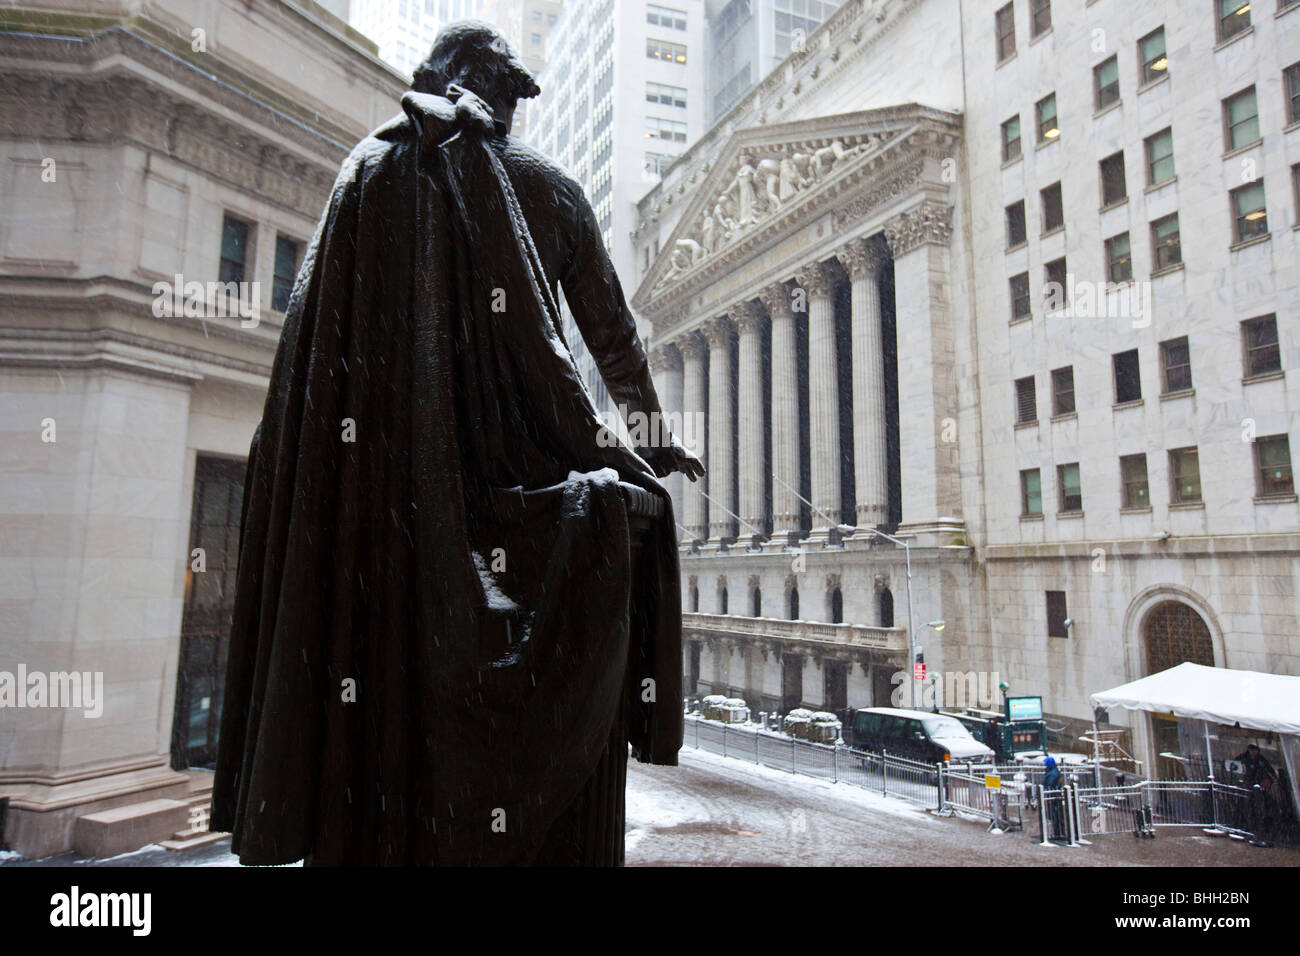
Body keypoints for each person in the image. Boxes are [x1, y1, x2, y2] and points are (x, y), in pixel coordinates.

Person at [211, 21, 703, 867]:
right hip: (515, 506)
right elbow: (613, 339)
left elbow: (307, 370)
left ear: (439, 80)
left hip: (395, 517)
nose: (509, 105)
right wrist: (651, 447)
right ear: (494, 89)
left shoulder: (370, 169)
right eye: (508, 90)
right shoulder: (547, 187)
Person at [1234, 744, 1278, 846]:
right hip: (1247, 785)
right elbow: (1234, 765)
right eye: (1252, 750)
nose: (1254, 752)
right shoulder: (1243, 758)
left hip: (1258, 787)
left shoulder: (1261, 759)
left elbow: (1268, 768)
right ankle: (1246, 827)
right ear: (1249, 750)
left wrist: (1273, 778)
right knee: (1246, 808)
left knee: (1259, 809)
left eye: (1256, 751)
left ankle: (1258, 830)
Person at [1042, 755, 1066, 843]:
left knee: (1055, 816)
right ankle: (1059, 833)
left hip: (1053, 797)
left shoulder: (1052, 773)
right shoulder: (1055, 772)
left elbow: (1049, 785)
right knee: (1057, 816)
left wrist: (1045, 791)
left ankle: (1058, 833)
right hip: (1056, 796)